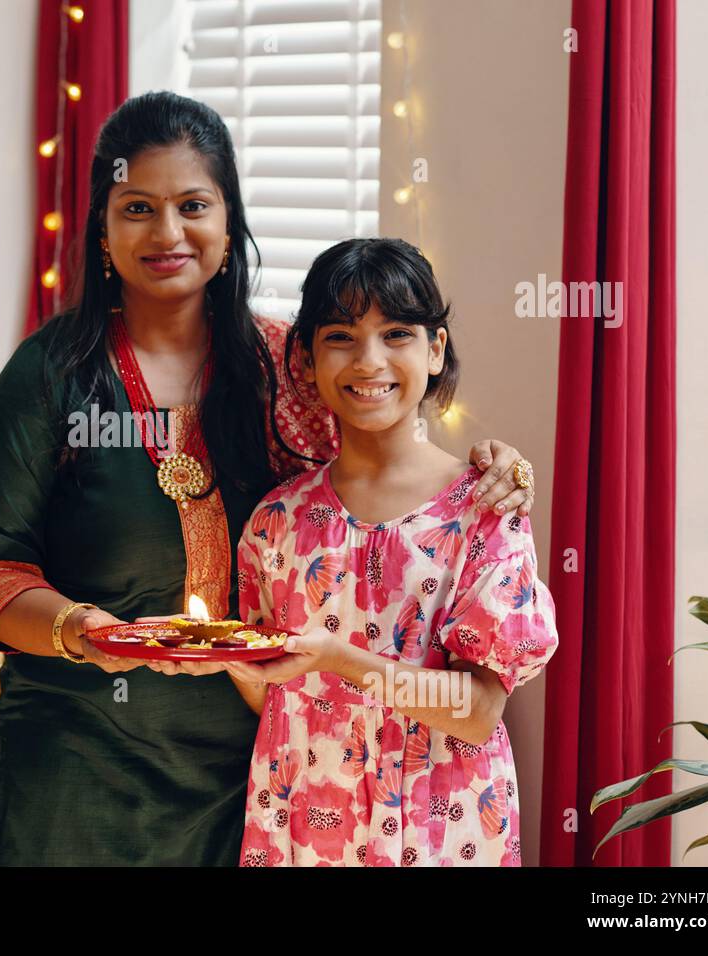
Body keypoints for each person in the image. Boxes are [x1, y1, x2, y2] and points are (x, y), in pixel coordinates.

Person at [0, 92, 537, 866]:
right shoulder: (52, 377)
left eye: (194, 204)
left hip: (263, 777)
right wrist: (87, 634)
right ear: (101, 228)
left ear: (229, 222)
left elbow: (386, 450)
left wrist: (497, 467)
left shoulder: (284, 367)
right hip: (78, 765)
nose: (168, 233)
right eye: (137, 209)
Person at [226, 238, 558, 866]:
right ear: (305, 359)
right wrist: (230, 662)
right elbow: (270, 695)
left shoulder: (485, 510)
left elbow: (477, 710)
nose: (369, 360)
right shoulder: (276, 522)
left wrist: (337, 659)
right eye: (341, 336)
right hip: (304, 827)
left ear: (435, 351)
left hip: (443, 834)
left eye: (397, 333)